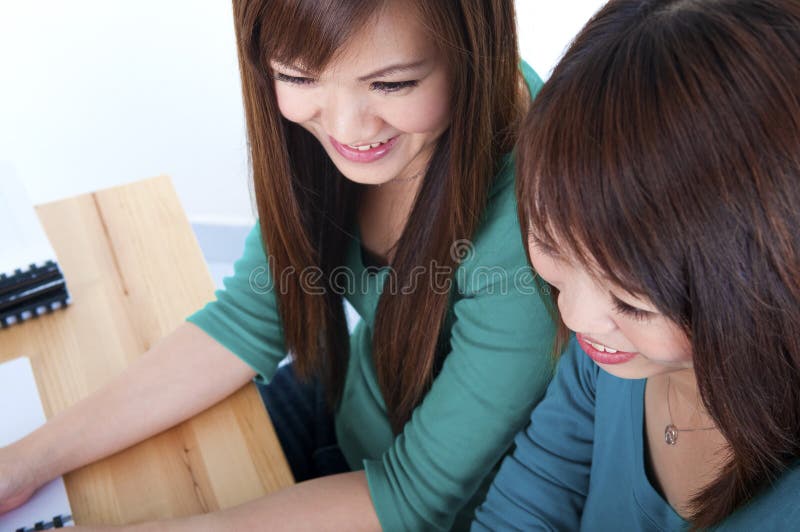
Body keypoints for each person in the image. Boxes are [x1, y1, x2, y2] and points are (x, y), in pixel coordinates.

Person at [0, 1, 557, 530]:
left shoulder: (531, 229)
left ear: (474, 49)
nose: (346, 128)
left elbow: (411, 501)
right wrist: (24, 462)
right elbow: (248, 318)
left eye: (391, 84)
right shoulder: (326, 136)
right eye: (298, 76)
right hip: (349, 412)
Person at [473, 0, 800, 529]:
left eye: (630, 301)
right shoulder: (612, 356)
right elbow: (532, 494)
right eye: (551, 245)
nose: (574, 314)